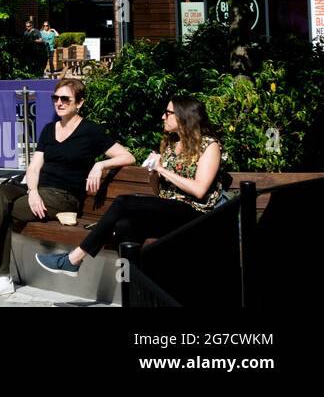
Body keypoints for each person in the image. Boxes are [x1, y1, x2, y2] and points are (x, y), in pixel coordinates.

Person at [0, 76, 135, 296]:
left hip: (64, 197)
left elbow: (127, 156)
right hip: (38, 189)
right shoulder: (48, 130)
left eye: (65, 99)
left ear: (79, 103)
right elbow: (33, 168)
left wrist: (100, 164)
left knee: (0, 209)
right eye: (56, 98)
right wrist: (32, 192)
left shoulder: (90, 131)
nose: (59, 103)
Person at [36, 97, 225, 277]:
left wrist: (162, 169)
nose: (163, 117)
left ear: (183, 116)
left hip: (196, 215)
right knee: (124, 225)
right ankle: (132, 285)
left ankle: (74, 258)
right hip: (171, 211)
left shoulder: (209, 146)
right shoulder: (172, 146)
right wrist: (154, 174)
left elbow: (199, 190)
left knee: (123, 202)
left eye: (168, 113)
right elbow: (160, 190)